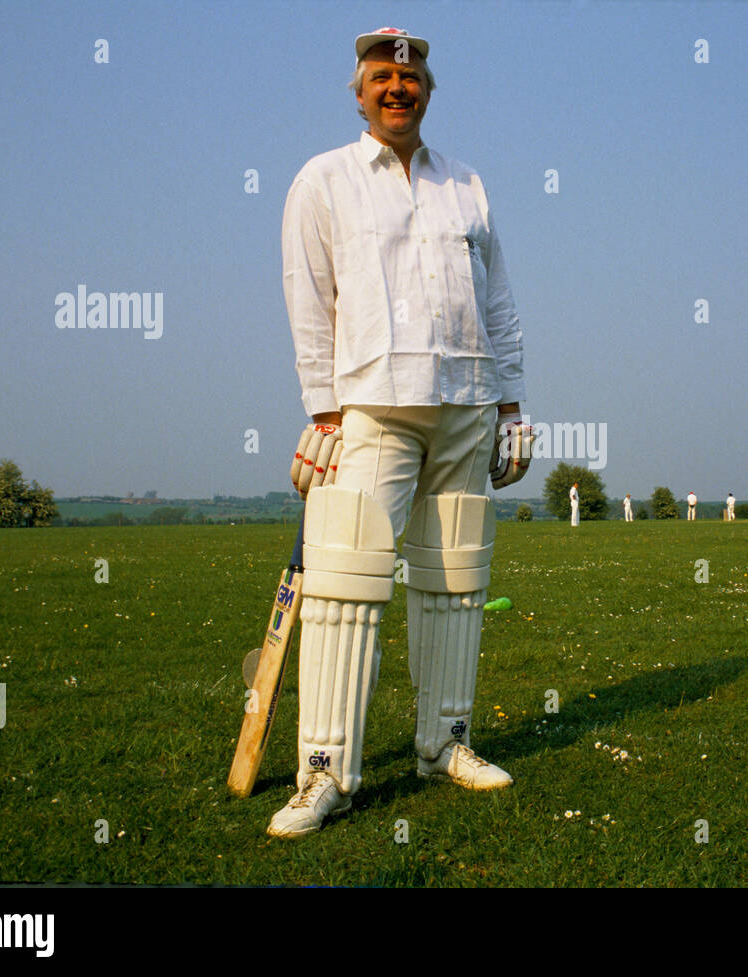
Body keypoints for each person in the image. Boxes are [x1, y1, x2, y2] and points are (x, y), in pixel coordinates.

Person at [274, 27, 533, 838]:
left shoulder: (467, 184)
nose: (398, 87)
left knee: (455, 579)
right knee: (347, 583)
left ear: (427, 91)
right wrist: (323, 407)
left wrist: (513, 403)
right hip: (373, 404)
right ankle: (326, 771)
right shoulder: (325, 179)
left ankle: (445, 743)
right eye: (382, 76)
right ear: (359, 92)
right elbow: (308, 294)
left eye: (411, 76)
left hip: (465, 399)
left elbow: (497, 301)